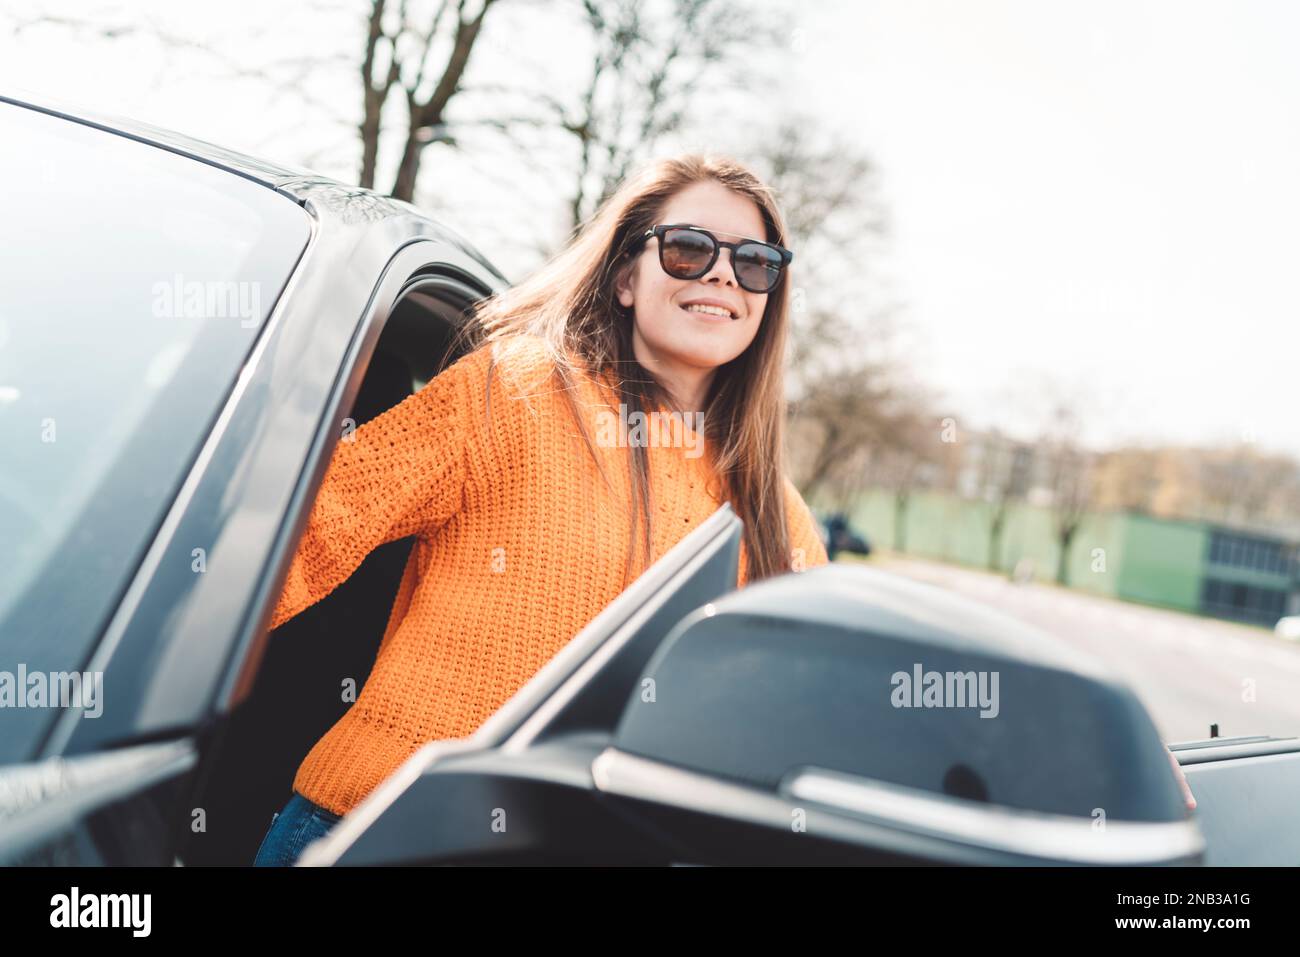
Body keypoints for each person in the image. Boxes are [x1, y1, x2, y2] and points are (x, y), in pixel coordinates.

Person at [252, 154, 830, 865]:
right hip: (376, 831)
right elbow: (294, 541)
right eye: (688, 249)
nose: (720, 275)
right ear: (625, 276)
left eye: (755, 263)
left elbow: (790, 736)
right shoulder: (513, 390)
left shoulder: (778, 518)